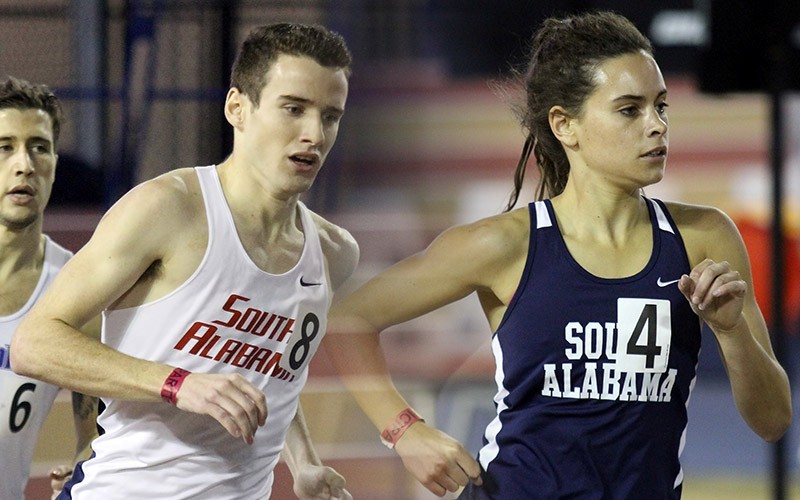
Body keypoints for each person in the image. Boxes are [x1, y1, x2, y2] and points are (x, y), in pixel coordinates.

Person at [324, 10, 792, 499]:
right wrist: (405, 430)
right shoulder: (504, 245)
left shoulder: (703, 236)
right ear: (565, 125)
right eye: (630, 109)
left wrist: (731, 329)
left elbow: (773, 421)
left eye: (661, 106)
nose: (656, 126)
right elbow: (348, 320)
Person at [12, 22, 358, 499]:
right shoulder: (168, 209)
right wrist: (177, 383)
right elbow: (34, 343)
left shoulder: (334, 254)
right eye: (294, 109)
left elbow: (274, 373)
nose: (313, 134)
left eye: (331, 116)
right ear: (237, 107)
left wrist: (305, 464)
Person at [0, 76, 99, 500]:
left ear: (56, 163)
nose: (24, 164)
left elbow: (98, 437)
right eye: (4, 147)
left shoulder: (76, 294)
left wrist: (82, 472)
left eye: (39, 147)